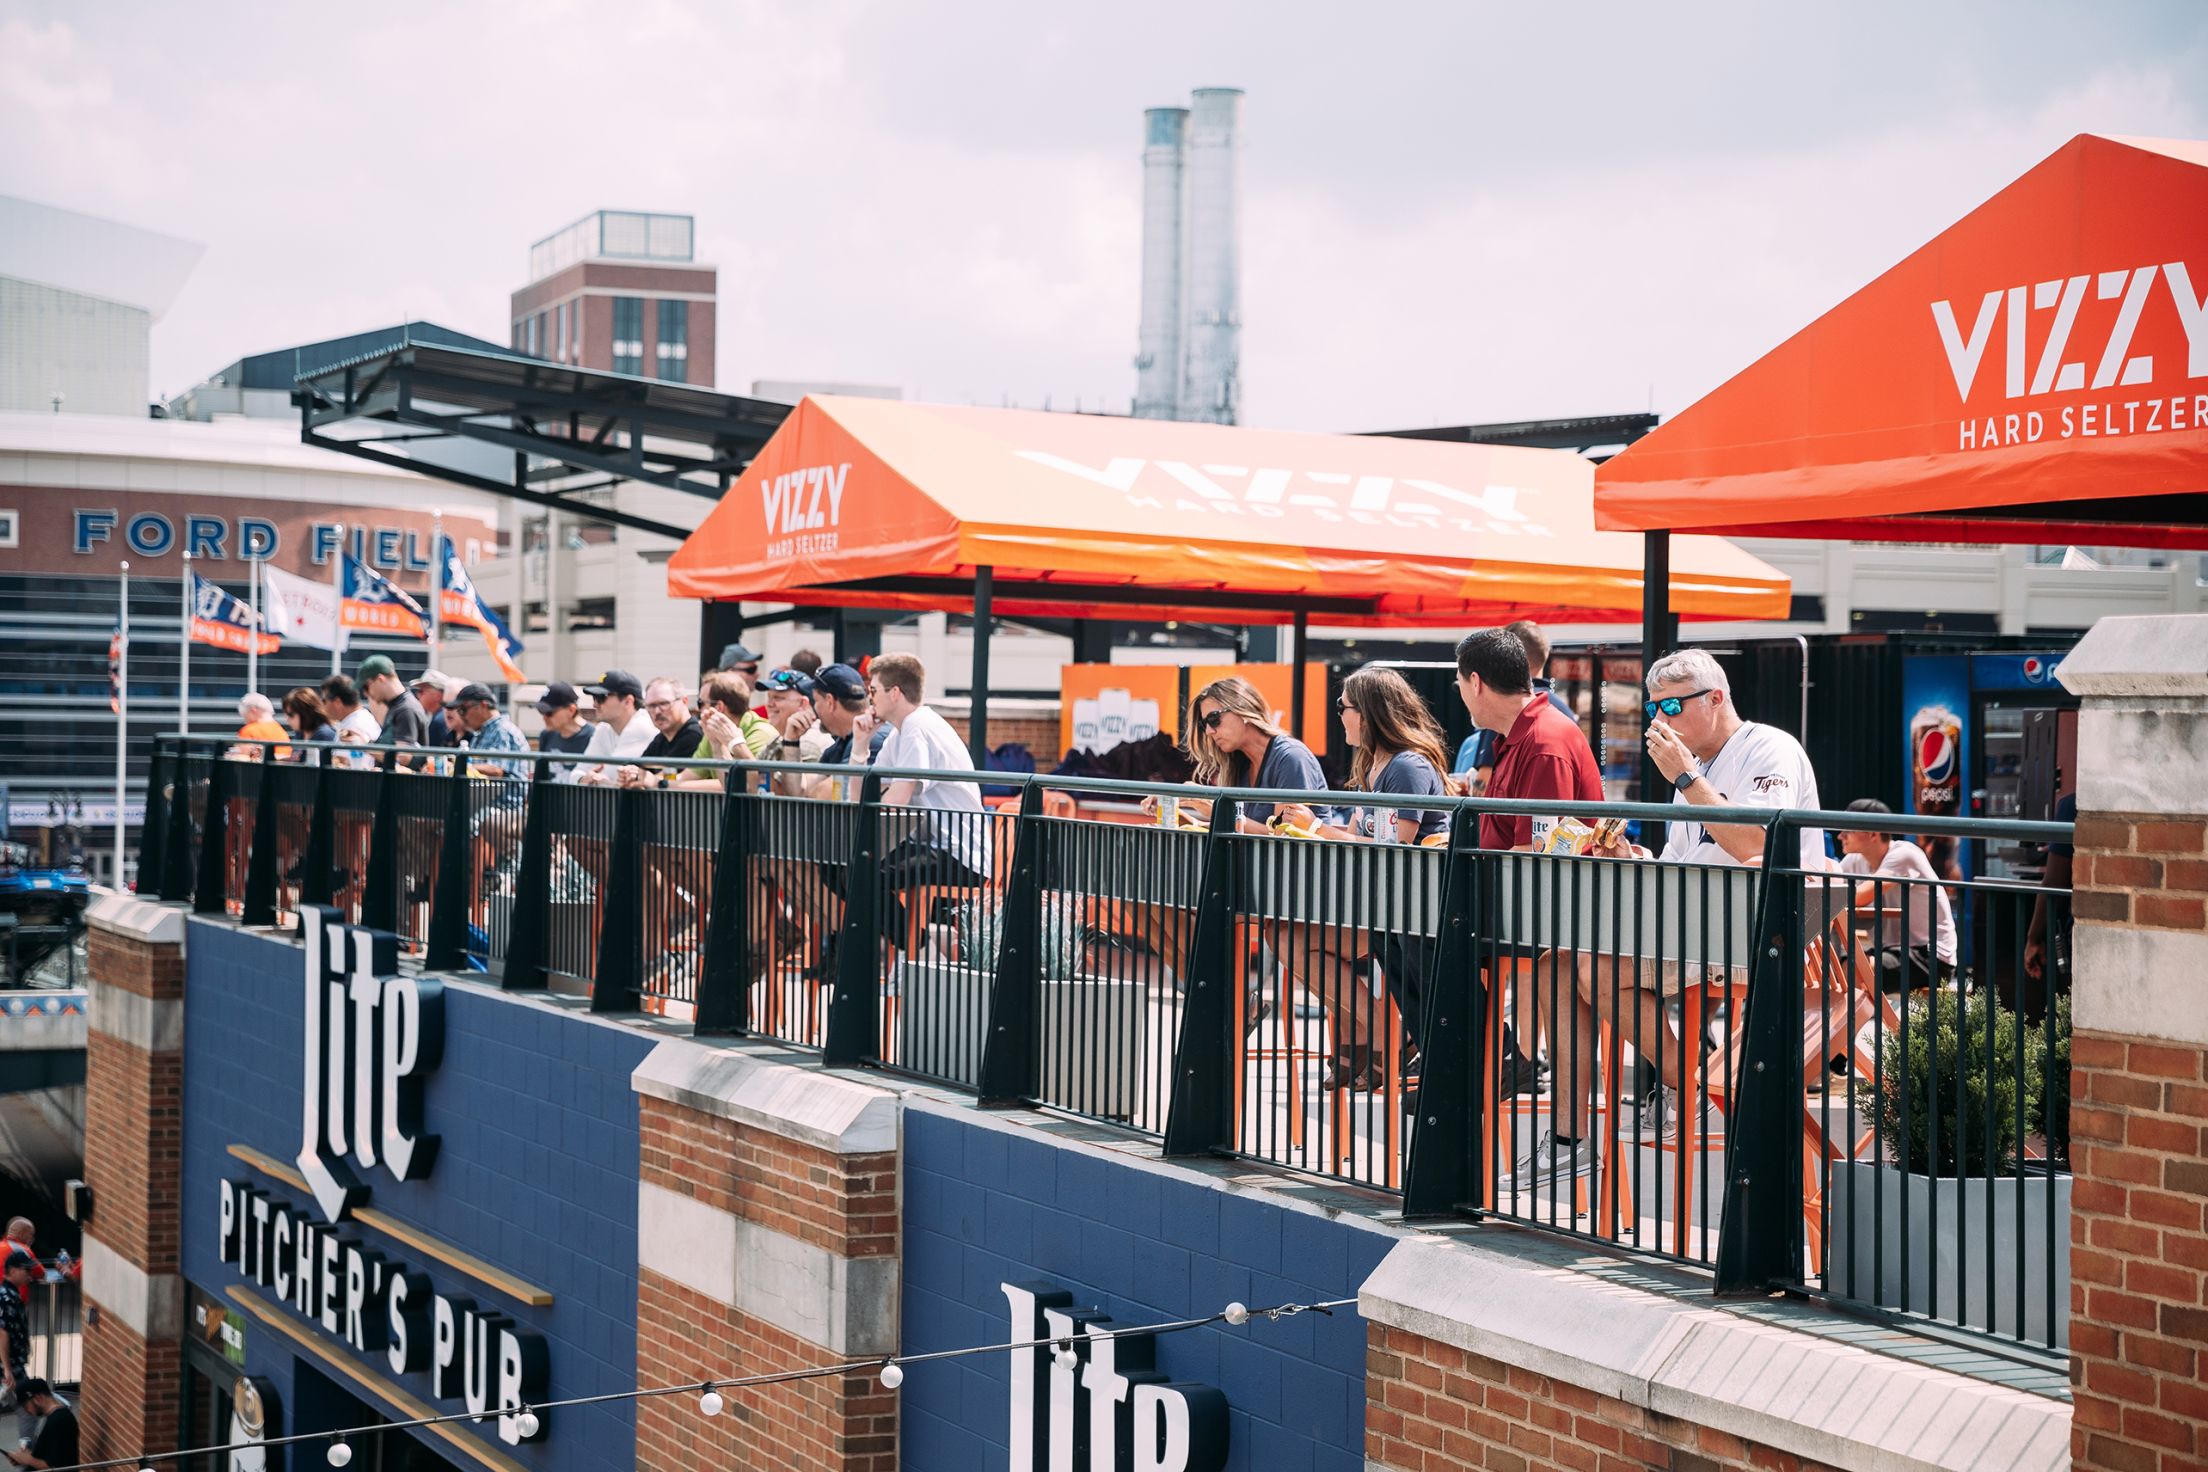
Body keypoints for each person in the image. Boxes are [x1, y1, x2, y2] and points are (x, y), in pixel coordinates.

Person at [1507, 647, 1826, 1193]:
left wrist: (1684, 778)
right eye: (1656, 708)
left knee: (1596, 970)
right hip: (1694, 920)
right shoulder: (1697, 768)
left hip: (1757, 926)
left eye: (1673, 706)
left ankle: (1688, 1083)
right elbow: (1685, 862)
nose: (1662, 721)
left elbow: (1757, 842)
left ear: (1716, 698)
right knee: (1554, 965)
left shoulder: (1768, 748)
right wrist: (1632, 859)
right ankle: (1569, 1140)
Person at [1273, 665, 1453, 1091]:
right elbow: (1357, 836)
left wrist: (1315, 828)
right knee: (1286, 937)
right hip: (1385, 912)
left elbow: (1394, 847)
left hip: (1417, 917)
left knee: (1293, 941)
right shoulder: (1375, 766)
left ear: (1371, 713)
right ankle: (1384, 1034)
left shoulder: (1407, 767)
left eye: (1344, 706)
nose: (1340, 715)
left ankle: (1388, 1037)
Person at [1455, 627, 1606, 1094]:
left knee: (1425, 936)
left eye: (1460, 684)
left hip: (1548, 914)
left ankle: (1489, 1060)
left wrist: (1462, 863)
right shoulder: (1522, 736)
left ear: (1476, 682)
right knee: (1405, 933)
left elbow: (1541, 852)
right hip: (1525, 903)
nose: (1460, 694)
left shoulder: (1543, 742)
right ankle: (1478, 1058)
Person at [865, 654, 991, 953]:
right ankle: (915, 948)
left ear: (894, 692)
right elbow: (865, 793)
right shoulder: (900, 732)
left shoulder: (917, 728)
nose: (869, 699)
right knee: (846, 867)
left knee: (863, 872)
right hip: (935, 846)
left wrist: (867, 811)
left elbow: (895, 800)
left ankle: (920, 950)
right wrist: (861, 742)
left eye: (873, 691)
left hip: (962, 856)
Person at [1171, 674, 1331, 834]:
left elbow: (1283, 837)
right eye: (1203, 724)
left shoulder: (1291, 757)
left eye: (1214, 719)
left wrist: (1218, 811)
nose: (1208, 731)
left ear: (1242, 708)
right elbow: (1240, 829)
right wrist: (1175, 813)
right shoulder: (1240, 762)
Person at [1836, 798, 1956, 991]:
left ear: (1873, 834)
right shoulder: (1853, 861)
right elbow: (1832, 890)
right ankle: (1851, 1020)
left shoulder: (1904, 855)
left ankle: (1858, 1021)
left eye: (1848, 829)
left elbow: (1858, 896)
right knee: (1835, 965)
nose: (1840, 835)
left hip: (1930, 956)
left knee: (1853, 970)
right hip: (1888, 951)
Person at [1453, 620, 1575, 794]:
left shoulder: (1518, 723)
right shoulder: (1558, 713)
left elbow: (1484, 790)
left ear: (1475, 683)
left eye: (1461, 684)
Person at [774, 664, 885, 798]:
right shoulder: (839, 745)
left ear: (830, 702)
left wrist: (815, 791)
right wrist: (791, 741)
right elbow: (799, 792)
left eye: (815, 700)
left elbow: (828, 794)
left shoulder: (871, 737)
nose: (814, 708)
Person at [569, 670, 657, 783]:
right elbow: (576, 774)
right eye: (594, 698)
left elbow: (612, 775)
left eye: (601, 697)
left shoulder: (643, 725)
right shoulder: (604, 728)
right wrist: (584, 779)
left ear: (628, 701)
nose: (595, 704)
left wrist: (592, 778)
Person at [760, 669, 833, 761]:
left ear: (802, 703)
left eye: (778, 698)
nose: (769, 704)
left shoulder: (809, 742)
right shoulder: (777, 739)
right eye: (769, 697)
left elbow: (797, 775)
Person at [5, 1380, 75, 1471]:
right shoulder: (52, 1418)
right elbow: (48, 1454)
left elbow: (56, 1467)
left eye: (26, 1406)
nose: (27, 1411)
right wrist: (22, 1458)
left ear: (38, 1399)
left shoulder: (60, 1421)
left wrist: (28, 1460)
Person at [535, 681, 595, 775]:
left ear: (571, 710)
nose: (544, 717)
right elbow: (539, 777)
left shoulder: (593, 736)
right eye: (542, 712)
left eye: (549, 713)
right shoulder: (546, 735)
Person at [320, 675, 380, 767]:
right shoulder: (359, 719)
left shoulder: (355, 725)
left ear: (337, 702)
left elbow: (346, 764)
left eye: (324, 701)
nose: (322, 706)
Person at [0, 1251, 28, 1423]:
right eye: (26, 1270)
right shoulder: (7, 1298)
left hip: (11, 1364)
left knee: (26, 1408)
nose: (29, 1275)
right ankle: (26, 1446)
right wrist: (7, 1368)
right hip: (11, 1366)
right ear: (12, 1270)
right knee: (28, 1408)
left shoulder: (8, 1294)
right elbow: (2, 1333)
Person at [282, 688, 338, 763]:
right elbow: (296, 760)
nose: (287, 719)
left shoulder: (325, 734)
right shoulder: (300, 733)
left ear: (305, 713)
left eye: (291, 715)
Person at [233, 692, 291, 761]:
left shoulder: (248, 730)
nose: (245, 721)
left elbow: (243, 760)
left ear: (253, 710)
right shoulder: (280, 730)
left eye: (245, 716)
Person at [412, 670, 461, 748]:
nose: (418, 695)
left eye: (421, 691)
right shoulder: (437, 717)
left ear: (437, 695)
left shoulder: (441, 720)